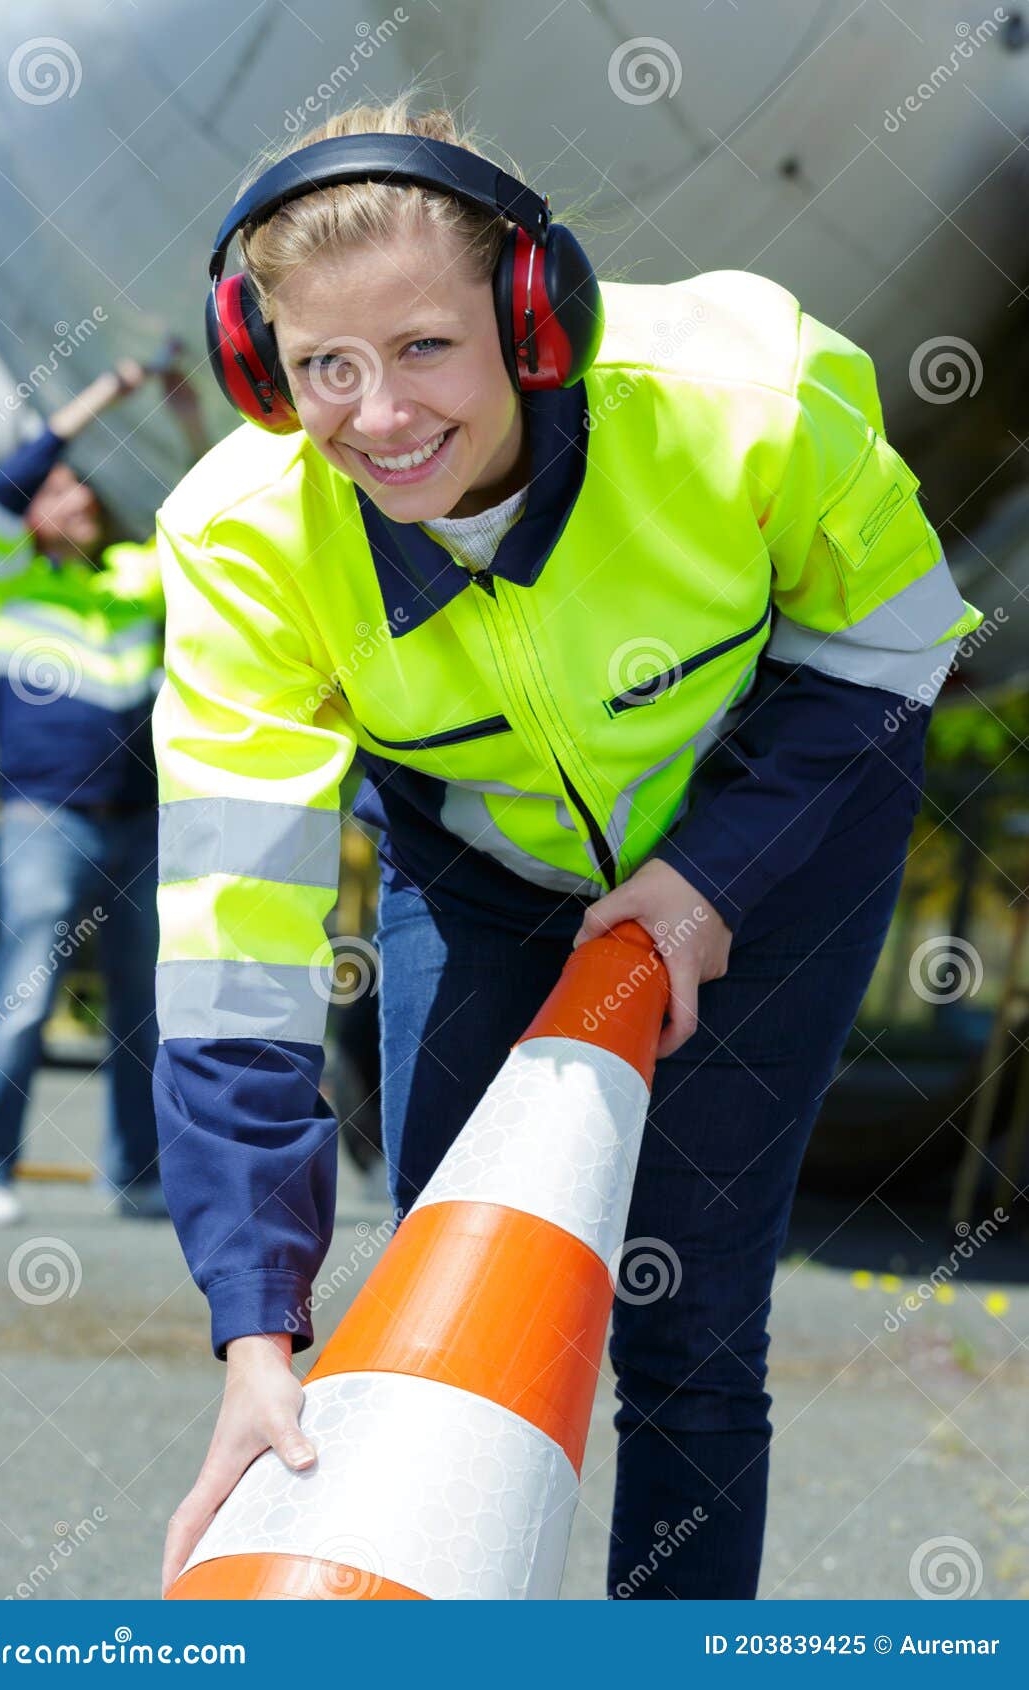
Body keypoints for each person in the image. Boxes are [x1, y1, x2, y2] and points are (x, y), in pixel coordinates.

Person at [154, 99, 982, 1598]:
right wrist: (254, 1331)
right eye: (320, 366)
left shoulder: (749, 397)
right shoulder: (240, 541)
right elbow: (233, 949)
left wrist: (706, 878)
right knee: (459, 1273)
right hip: (474, 861)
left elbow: (890, 647)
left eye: (422, 347)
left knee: (688, 1314)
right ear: (258, 369)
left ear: (535, 319)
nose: (377, 415)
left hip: (773, 832)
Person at [0, 360, 167, 1224]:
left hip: (143, 820)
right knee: (21, 995)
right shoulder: (3, 579)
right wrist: (110, 387)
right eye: (61, 489)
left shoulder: (127, 582)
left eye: (84, 489)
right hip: (49, 819)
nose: (77, 495)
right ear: (36, 517)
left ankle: (143, 1176)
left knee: (146, 1006)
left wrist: (187, 417)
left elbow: (208, 522)